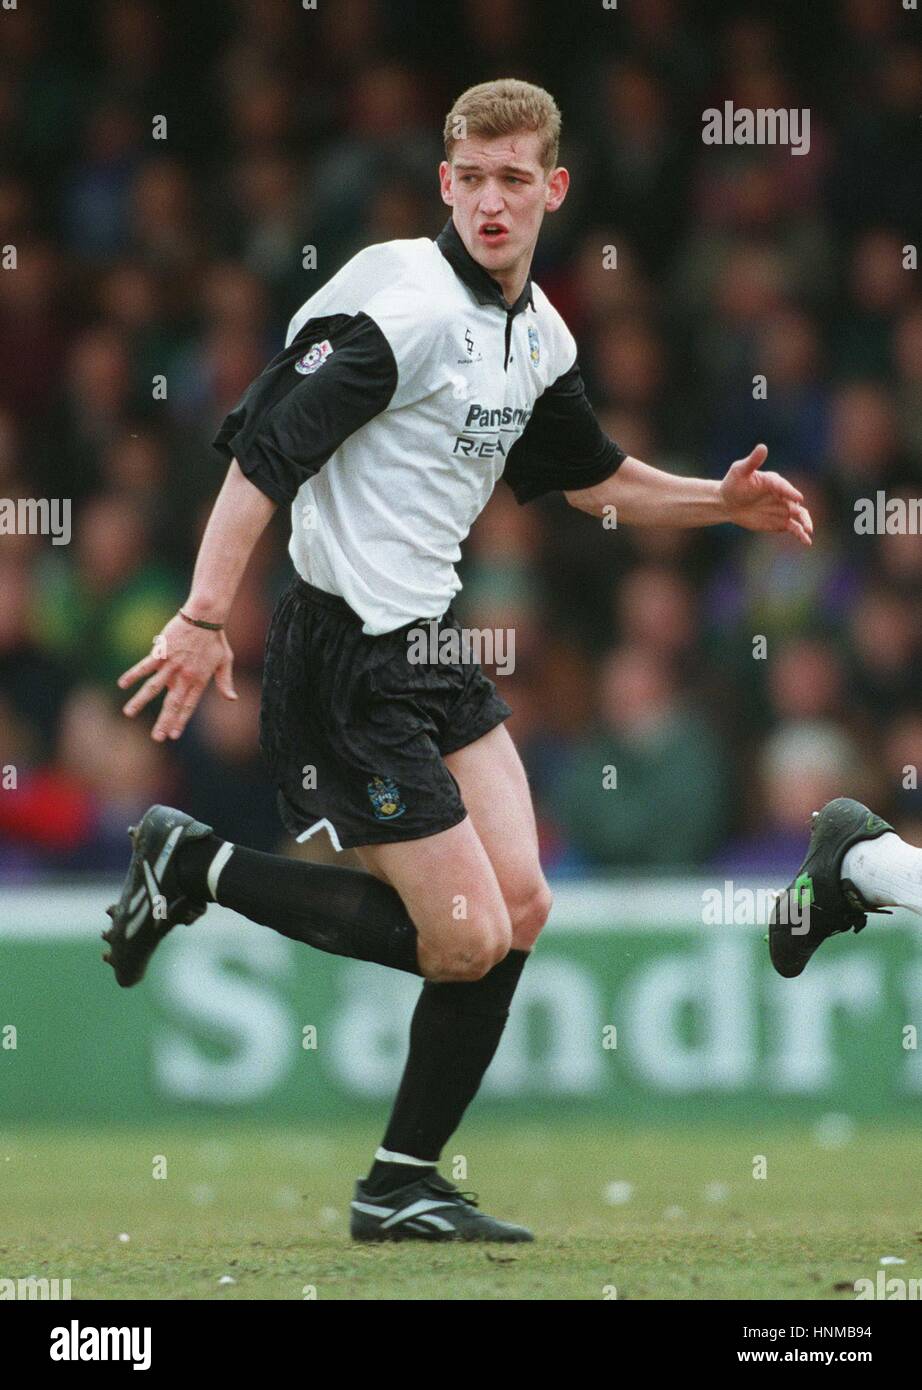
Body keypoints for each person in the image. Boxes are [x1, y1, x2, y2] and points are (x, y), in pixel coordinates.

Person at [105, 78, 819, 1243]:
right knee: (467, 934)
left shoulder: (535, 332)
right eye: (472, 180)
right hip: (343, 656)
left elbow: (592, 476)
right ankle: (194, 868)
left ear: (553, 188)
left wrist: (720, 505)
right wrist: (199, 615)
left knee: (522, 905)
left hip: (428, 646)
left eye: (514, 180)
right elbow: (265, 451)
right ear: (445, 183)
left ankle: (399, 1178)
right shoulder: (408, 308)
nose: (492, 202)